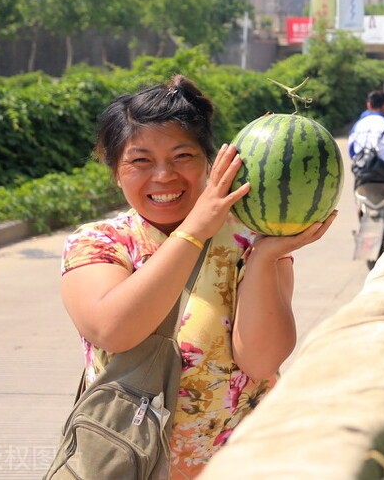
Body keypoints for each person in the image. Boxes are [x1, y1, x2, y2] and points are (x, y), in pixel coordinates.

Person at [58, 75, 336, 478]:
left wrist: (265, 258)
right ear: (116, 171)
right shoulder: (100, 243)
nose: (164, 176)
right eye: (140, 161)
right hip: (130, 463)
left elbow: (261, 361)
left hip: (240, 466)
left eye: (182, 156)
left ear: (211, 161)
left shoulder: (247, 242)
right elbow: (114, 329)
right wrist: (194, 232)